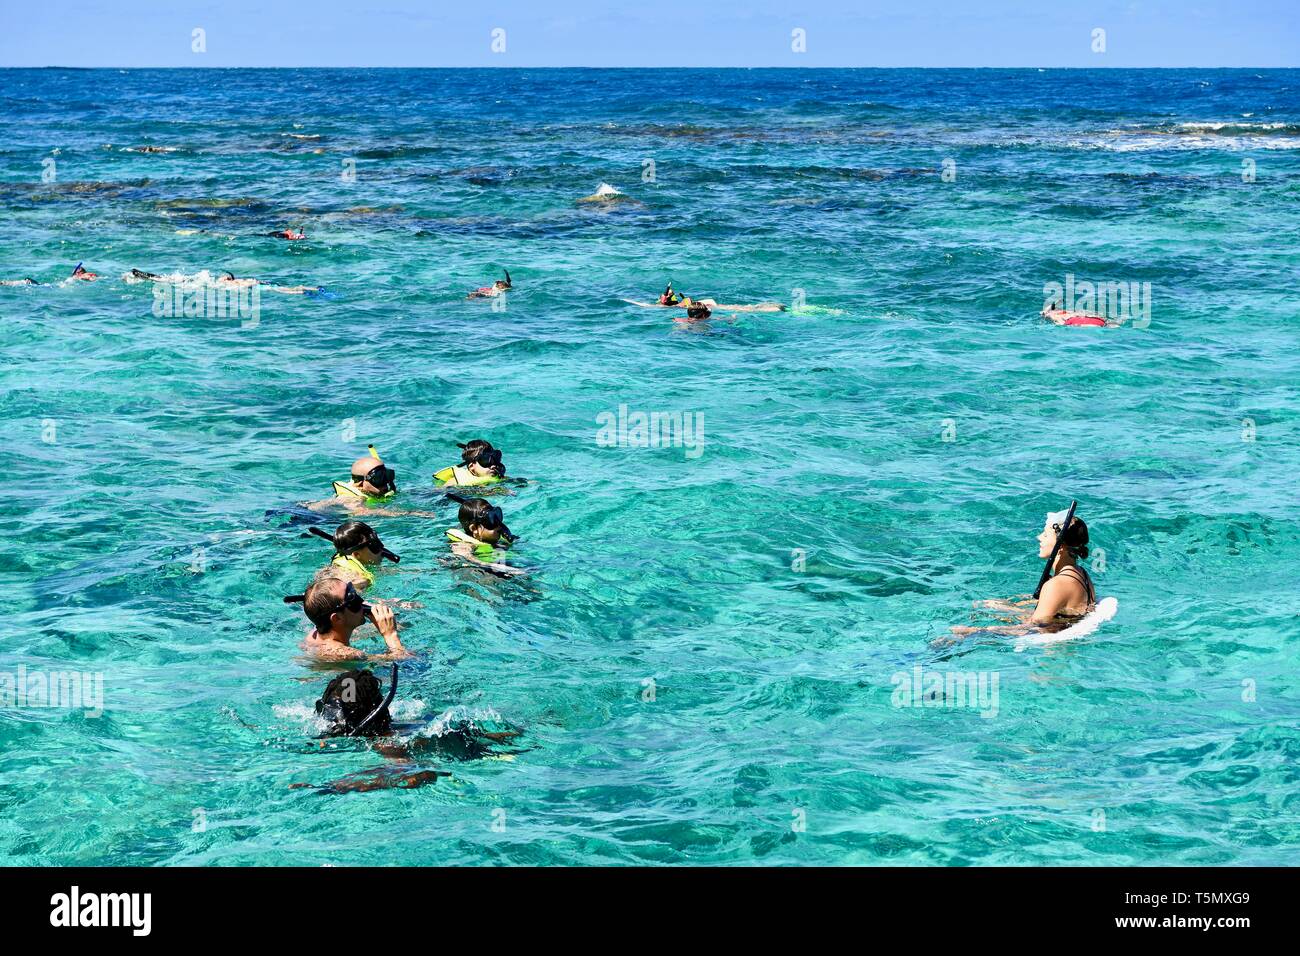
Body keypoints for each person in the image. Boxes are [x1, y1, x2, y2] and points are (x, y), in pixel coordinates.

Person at [291, 666, 522, 793]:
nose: (329, 722)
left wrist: (335, 786)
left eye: (334, 716)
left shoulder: (388, 743)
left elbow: (417, 775)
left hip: (479, 750)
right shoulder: (391, 725)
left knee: (509, 740)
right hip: (472, 732)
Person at [949, 509, 1096, 638]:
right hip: (1060, 628)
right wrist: (1008, 607)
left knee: (949, 641)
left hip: (1050, 652)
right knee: (991, 605)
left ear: (1061, 545)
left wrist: (978, 631)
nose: (1039, 537)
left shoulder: (1057, 585)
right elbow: (1061, 611)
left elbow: (1034, 628)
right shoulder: (1080, 573)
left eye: (1045, 535)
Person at [285, 569, 413, 661]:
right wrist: (390, 634)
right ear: (337, 618)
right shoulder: (344, 654)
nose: (361, 601)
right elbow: (402, 660)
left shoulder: (317, 632)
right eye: (354, 601)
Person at [444, 493, 523, 576]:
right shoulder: (465, 544)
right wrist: (507, 569)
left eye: (497, 517)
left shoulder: (499, 539)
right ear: (474, 529)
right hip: (486, 573)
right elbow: (466, 558)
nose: (498, 525)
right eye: (491, 521)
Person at [307, 520, 399, 590]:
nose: (381, 548)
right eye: (374, 546)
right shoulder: (357, 578)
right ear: (356, 554)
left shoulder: (344, 563)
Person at [433, 440, 507, 488]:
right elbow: (439, 494)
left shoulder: (499, 476)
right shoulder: (455, 482)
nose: (493, 465)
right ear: (471, 466)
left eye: (494, 459)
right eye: (485, 460)